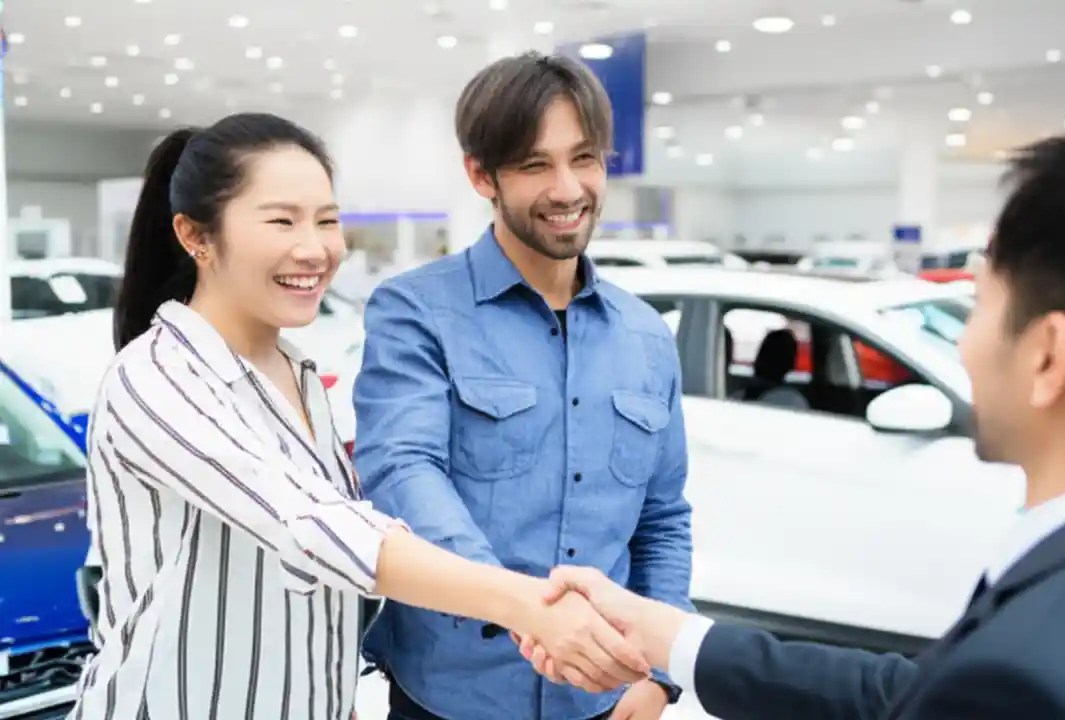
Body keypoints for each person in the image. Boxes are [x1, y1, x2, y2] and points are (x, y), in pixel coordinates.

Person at [519, 131, 1065, 719]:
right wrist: (667, 635)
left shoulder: (1030, 672)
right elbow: (909, 694)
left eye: (980, 307)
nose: (967, 343)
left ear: (1049, 356)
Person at [69, 112, 649, 720]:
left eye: (328, 220)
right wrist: (527, 605)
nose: (315, 248)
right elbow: (315, 527)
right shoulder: (159, 375)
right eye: (281, 220)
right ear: (196, 237)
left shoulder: (297, 376)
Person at [352, 52, 693, 720]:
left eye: (585, 158)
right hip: (450, 696)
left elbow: (662, 521)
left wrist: (660, 673)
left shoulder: (647, 336)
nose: (568, 188)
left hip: (600, 699)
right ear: (482, 175)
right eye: (536, 165)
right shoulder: (416, 312)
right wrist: (530, 612)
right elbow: (402, 471)